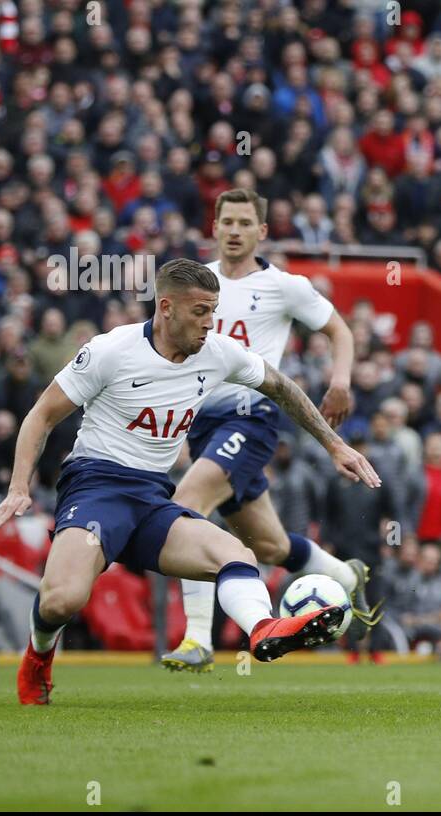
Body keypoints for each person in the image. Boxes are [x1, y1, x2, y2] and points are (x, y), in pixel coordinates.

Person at [0, 259, 381, 705]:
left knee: (238, 553)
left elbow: (281, 387)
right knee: (62, 600)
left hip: (154, 496)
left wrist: (334, 446)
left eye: (214, 311)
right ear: (167, 307)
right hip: (97, 488)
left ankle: (264, 629)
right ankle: (38, 656)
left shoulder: (217, 352)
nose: (210, 324)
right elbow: (41, 415)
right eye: (201, 312)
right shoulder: (111, 350)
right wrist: (20, 487)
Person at [160, 190, 370, 674]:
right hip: (203, 425)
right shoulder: (199, 284)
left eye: (244, 222)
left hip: (251, 419)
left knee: (185, 507)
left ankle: (197, 639)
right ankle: (344, 574)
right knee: (271, 547)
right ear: (213, 228)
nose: (234, 230)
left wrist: (340, 381)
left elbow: (341, 330)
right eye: (226, 221)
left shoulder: (284, 286)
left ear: (262, 231)